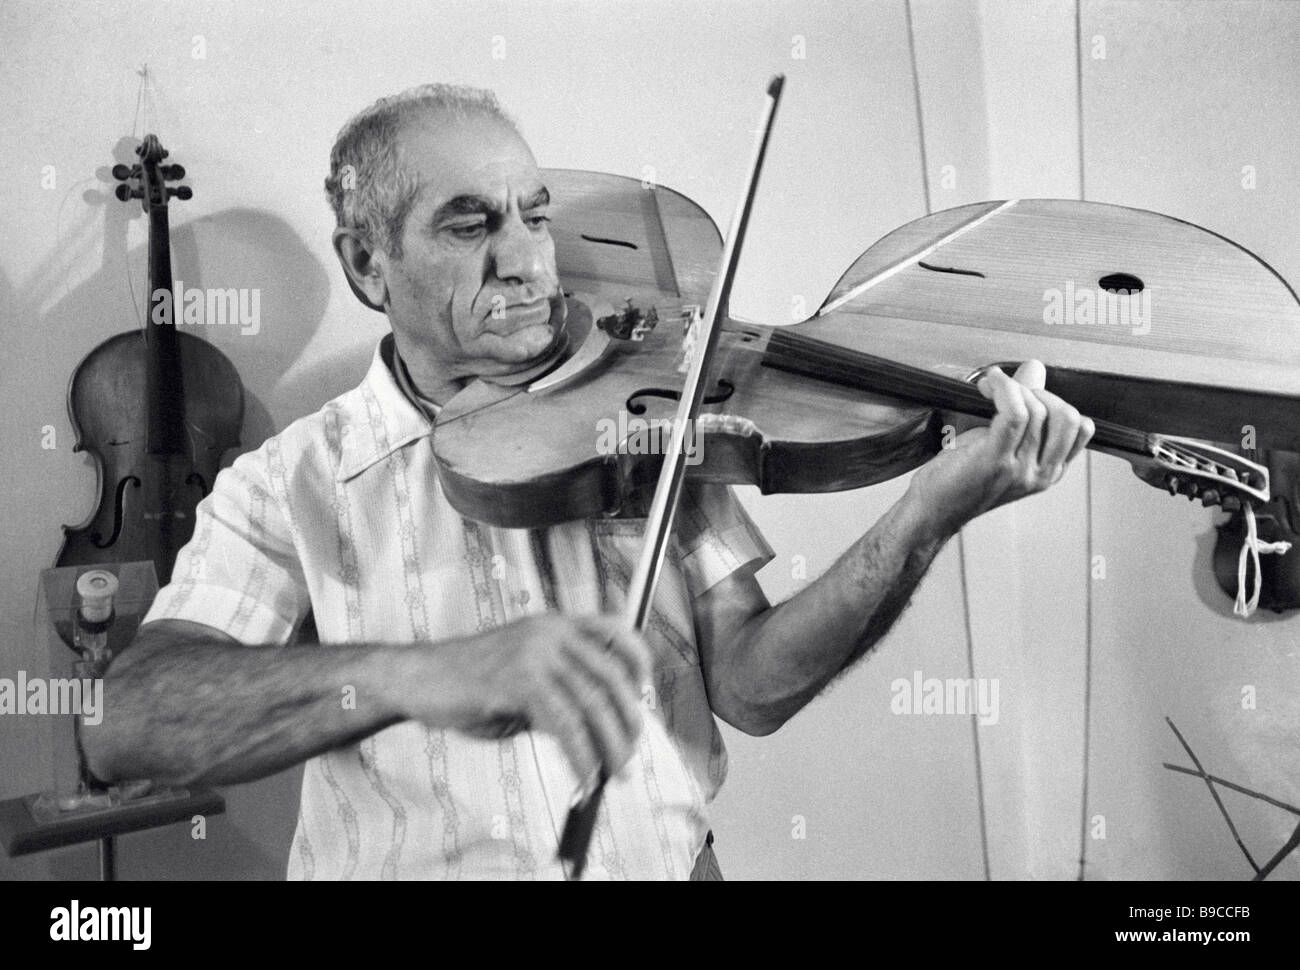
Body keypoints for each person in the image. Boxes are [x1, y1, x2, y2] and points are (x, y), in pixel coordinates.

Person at [83, 84, 1093, 880]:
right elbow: (130, 723)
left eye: (534, 214)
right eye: (470, 225)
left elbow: (749, 684)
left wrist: (922, 515)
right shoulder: (291, 479)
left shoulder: (637, 422)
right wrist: (414, 674)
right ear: (367, 264)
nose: (528, 262)